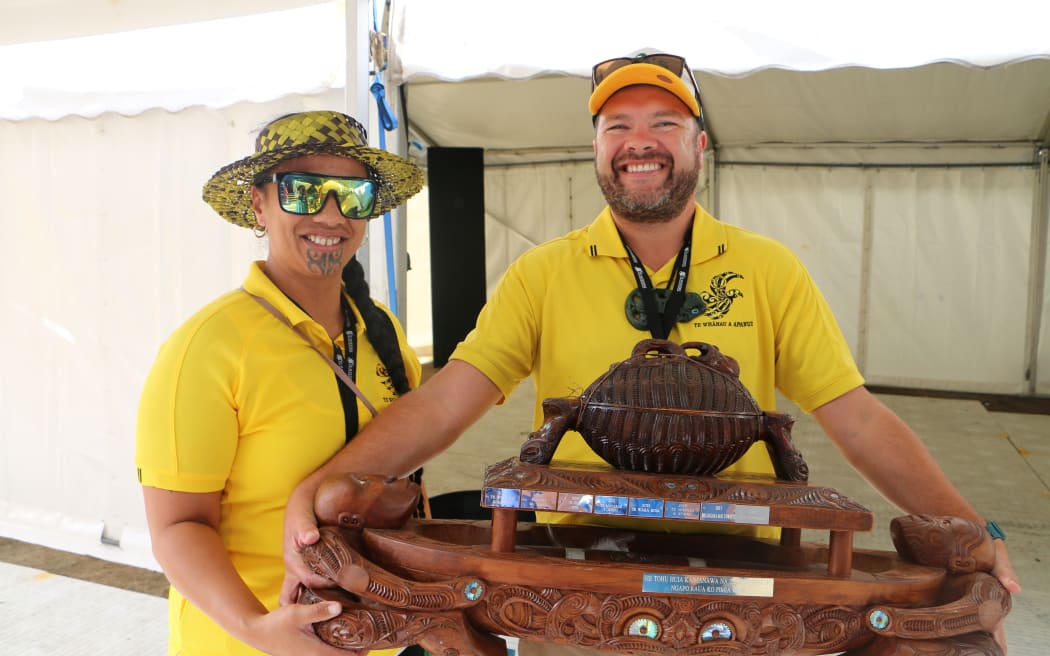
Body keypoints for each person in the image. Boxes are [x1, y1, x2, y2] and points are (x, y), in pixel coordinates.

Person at [281, 55, 1021, 653]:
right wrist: (325, 486)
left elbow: (854, 417)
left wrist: (971, 535)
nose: (641, 141)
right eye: (617, 125)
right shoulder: (545, 272)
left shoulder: (766, 270)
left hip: (745, 594)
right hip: (566, 593)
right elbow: (451, 397)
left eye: (665, 122)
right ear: (597, 149)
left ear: (699, 144)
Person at [136, 110, 424, 656]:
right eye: (304, 191)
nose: (331, 213)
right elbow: (176, 529)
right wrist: (255, 627)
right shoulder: (209, 345)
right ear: (259, 204)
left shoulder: (383, 332)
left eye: (352, 194)